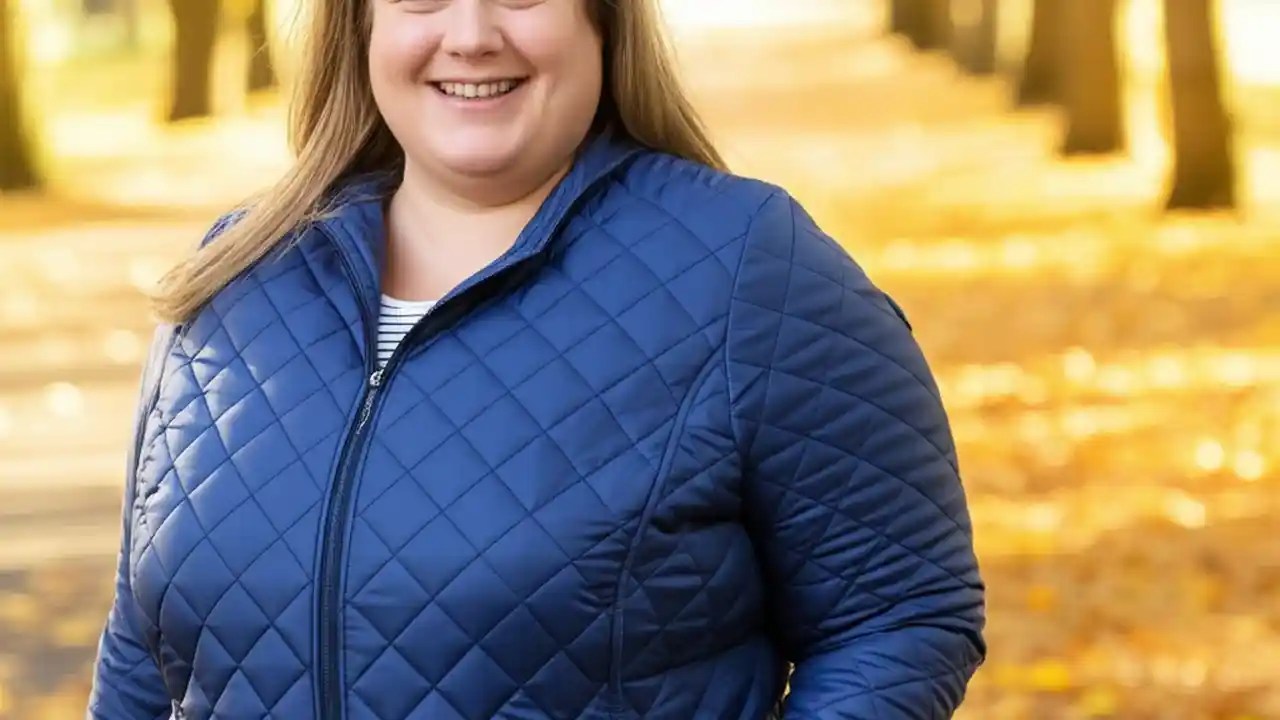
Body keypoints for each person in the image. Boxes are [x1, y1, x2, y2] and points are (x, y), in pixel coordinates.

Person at [87, 1, 986, 718]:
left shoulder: (747, 268)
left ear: (602, 17)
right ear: (360, 21)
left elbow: (902, 614)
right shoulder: (236, 283)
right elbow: (142, 647)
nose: (471, 35)